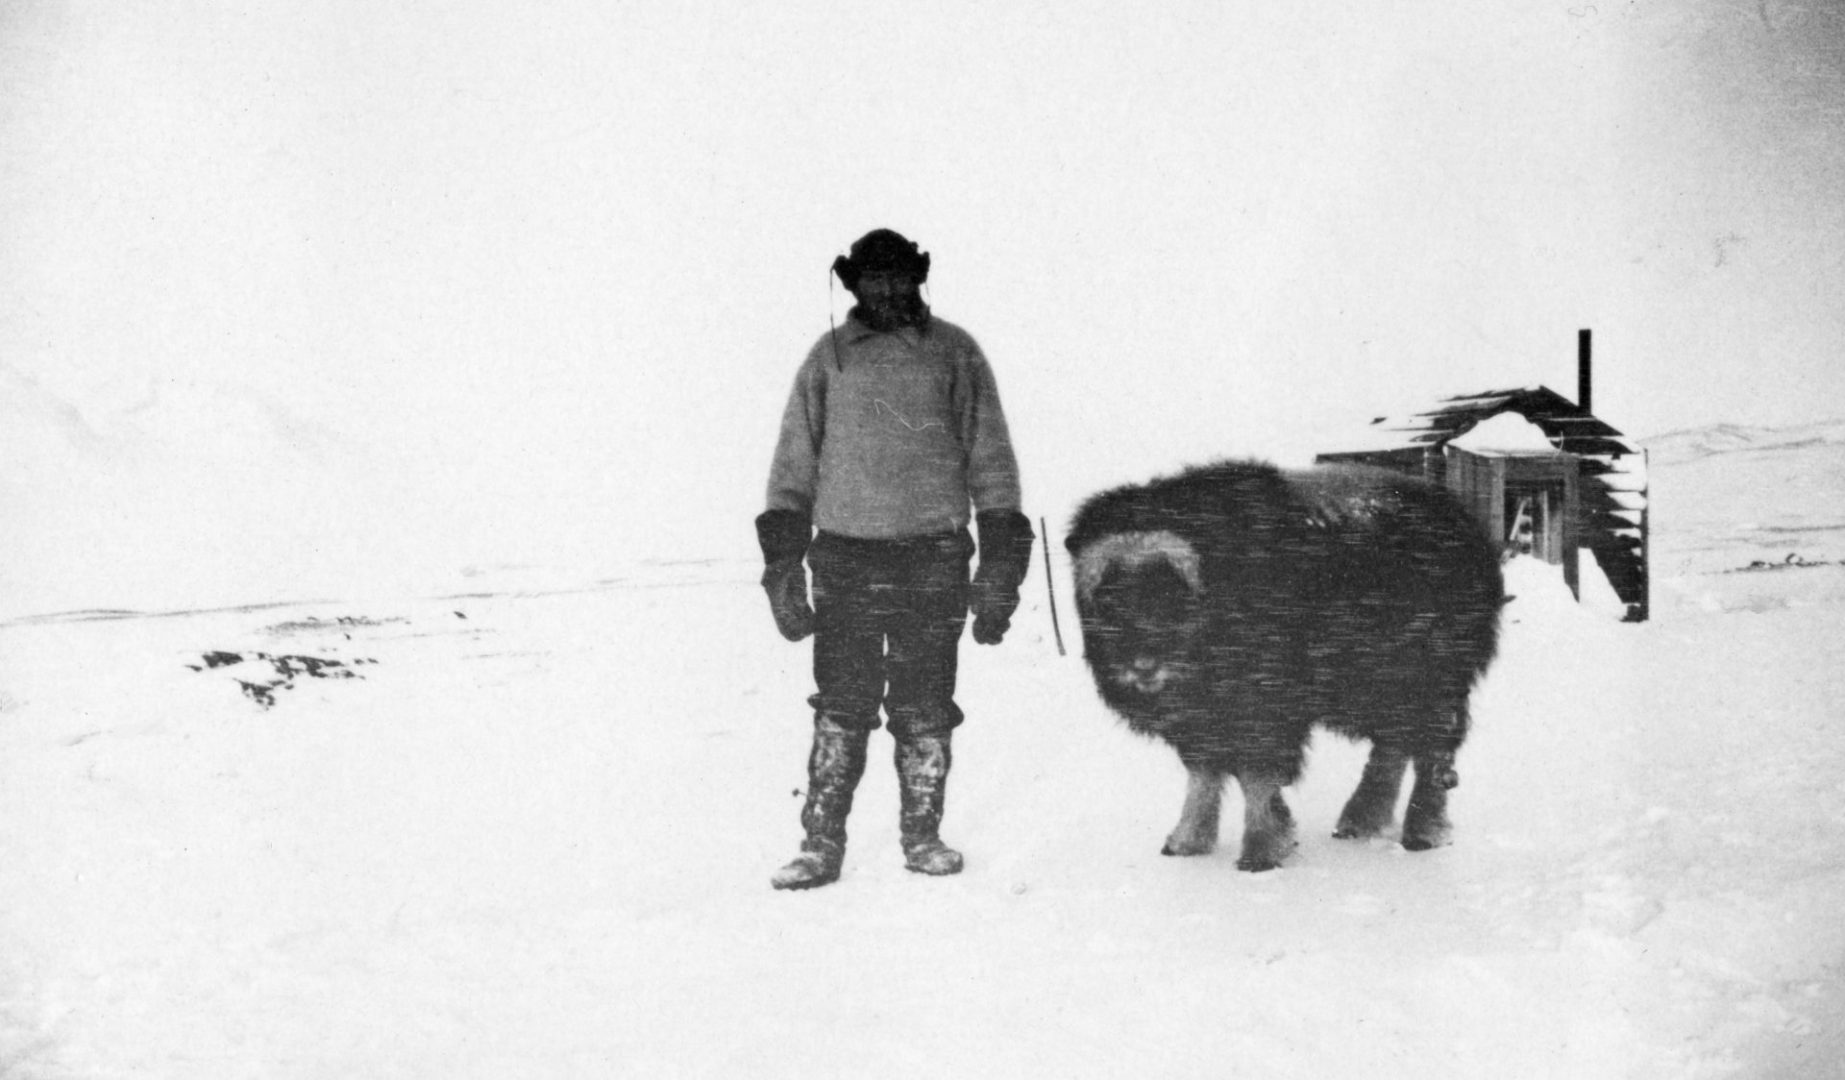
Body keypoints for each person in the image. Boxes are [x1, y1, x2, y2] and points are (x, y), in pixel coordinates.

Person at [754, 228, 1034, 890]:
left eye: (899, 276)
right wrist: (782, 566)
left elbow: (990, 457)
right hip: (845, 560)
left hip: (932, 559)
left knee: (924, 704)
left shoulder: (954, 355)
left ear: (917, 279)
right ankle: (820, 846)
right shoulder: (827, 360)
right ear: (851, 285)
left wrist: (999, 567)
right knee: (842, 705)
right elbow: (793, 463)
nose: (886, 290)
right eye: (872, 278)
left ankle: (922, 836)